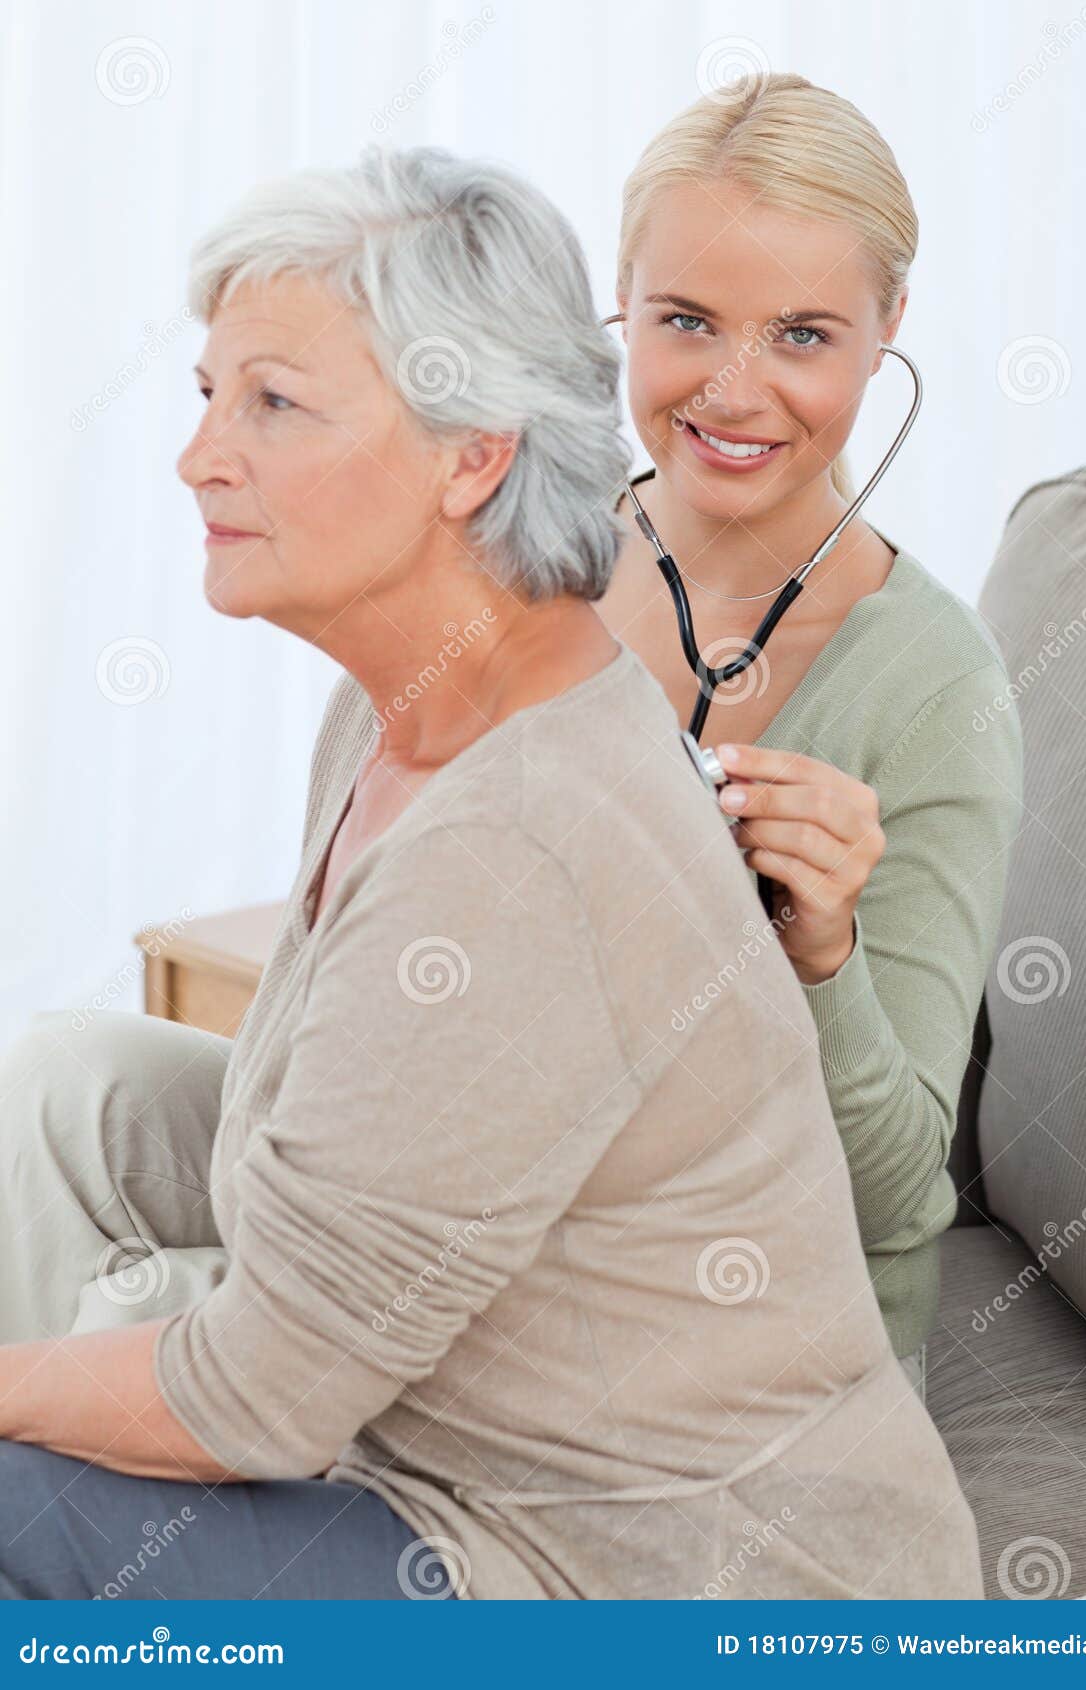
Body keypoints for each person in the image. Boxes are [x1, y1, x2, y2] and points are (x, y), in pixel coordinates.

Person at [0, 144, 983, 1601]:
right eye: (209, 396)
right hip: (453, 1436)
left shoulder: (519, 842)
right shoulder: (400, 710)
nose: (200, 455)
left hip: (663, 1580)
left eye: (273, 403)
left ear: (472, 456)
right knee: (70, 1075)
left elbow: (257, 1399)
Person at [596, 72, 1024, 1393]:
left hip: (760, 1345)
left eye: (801, 335)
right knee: (76, 1082)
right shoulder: (519, 576)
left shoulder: (936, 688)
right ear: (621, 305)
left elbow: (893, 1199)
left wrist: (823, 953)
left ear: (887, 332)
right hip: (506, 1240)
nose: (734, 392)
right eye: (687, 321)